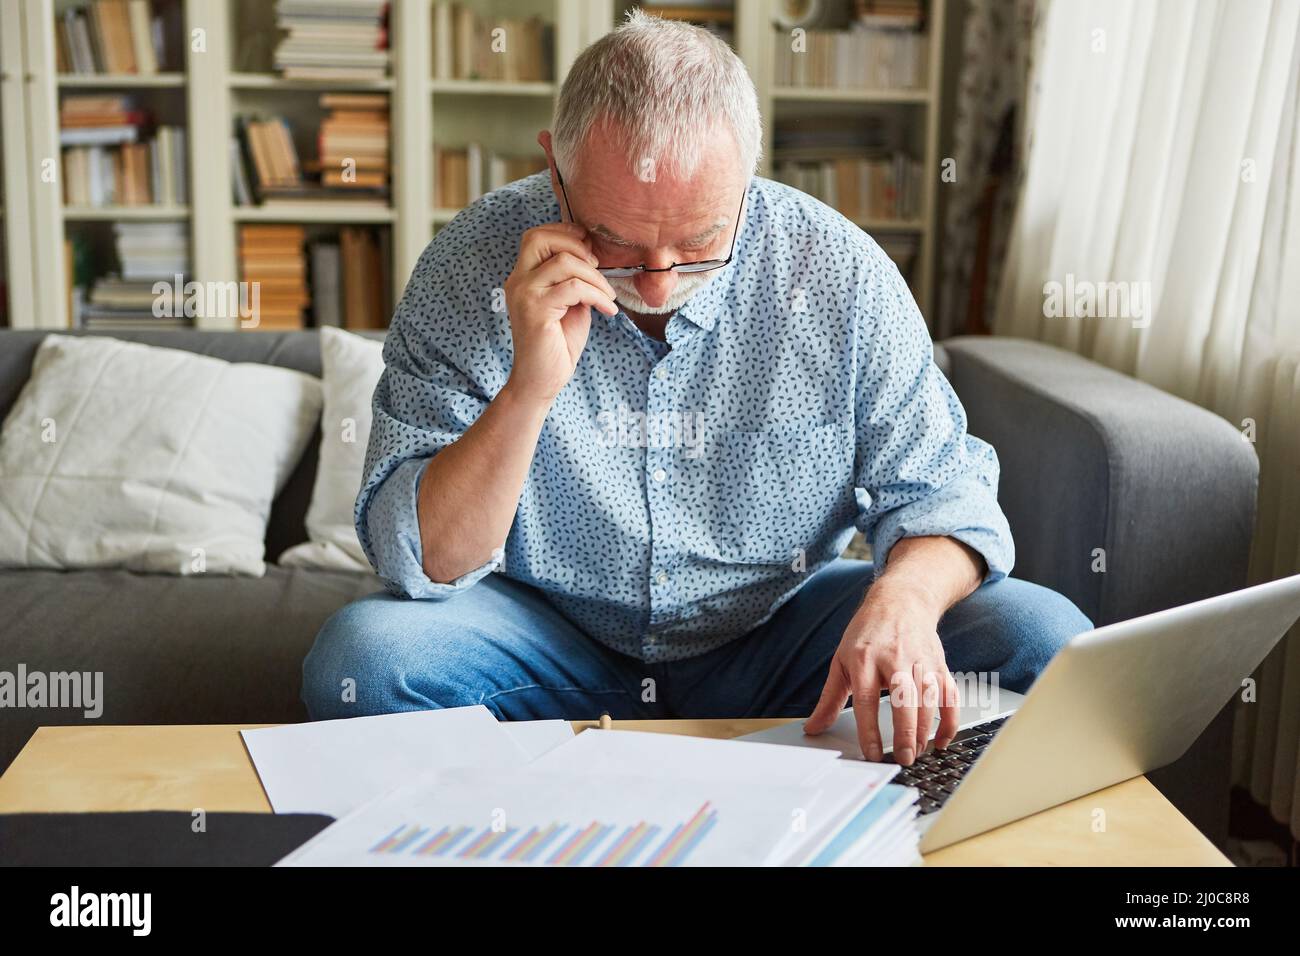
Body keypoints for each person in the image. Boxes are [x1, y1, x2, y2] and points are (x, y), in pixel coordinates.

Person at [303, 11, 1091, 766]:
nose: (655, 280)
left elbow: (944, 495)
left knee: (1040, 635)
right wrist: (528, 392)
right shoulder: (468, 267)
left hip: (780, 636)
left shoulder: (842, 273)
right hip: (549, 638)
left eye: (701, 242)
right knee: (366, 660)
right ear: (556, 168)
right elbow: (421, 563)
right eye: (616, 240)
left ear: (748, 174)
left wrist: (907, 600)